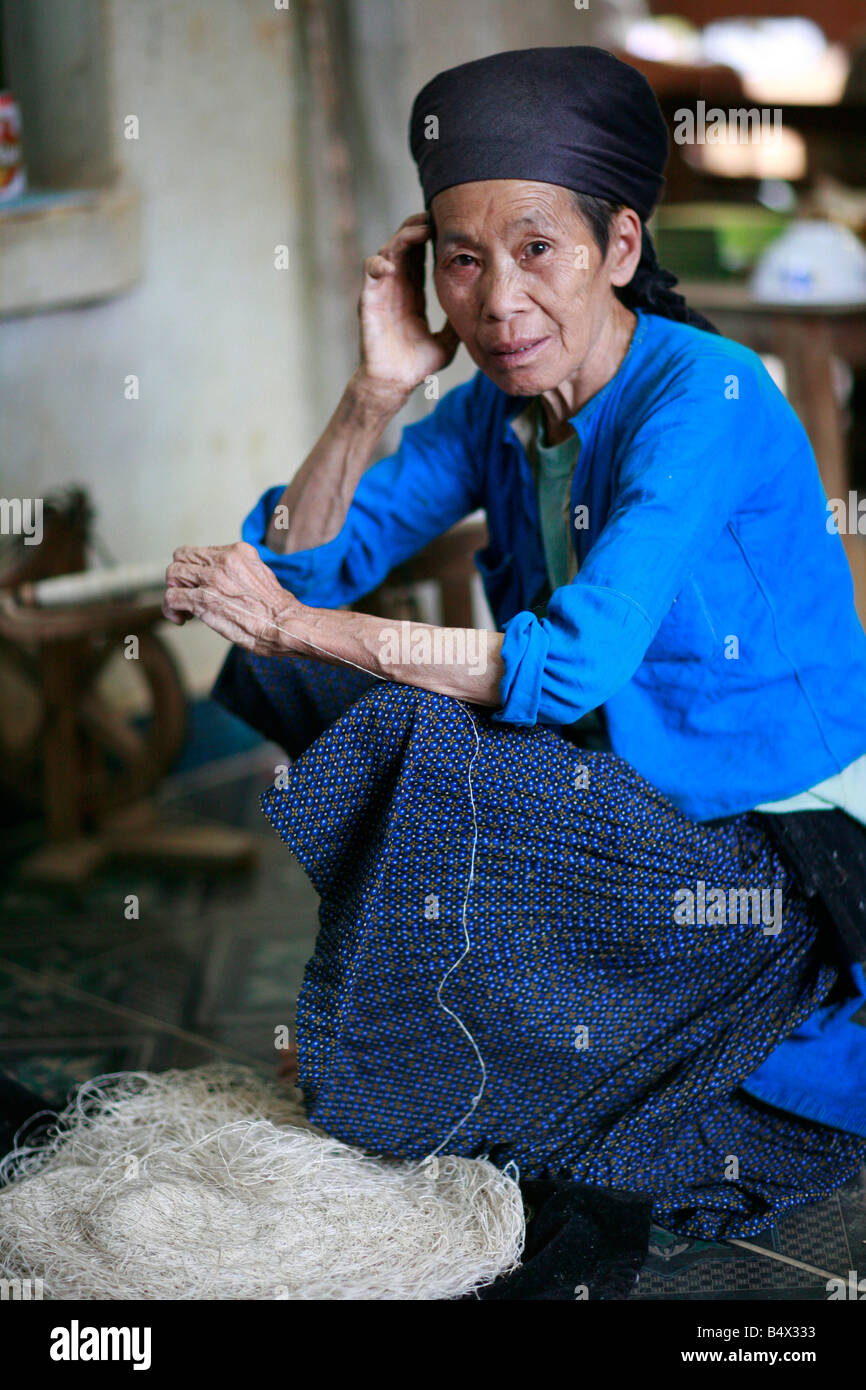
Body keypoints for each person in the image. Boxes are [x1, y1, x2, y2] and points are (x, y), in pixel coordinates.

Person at [164, 47, 866, 1240]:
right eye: (462, 259)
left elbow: (574, 662)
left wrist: (294, 620)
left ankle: (430, 1039)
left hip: (775, 836)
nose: (495, 303)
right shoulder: (493, 408)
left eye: (537, 248)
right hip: (620, 784)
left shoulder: (706, 396)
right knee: (302, 670)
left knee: (395, 719)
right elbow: (306, 562)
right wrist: (375, 390)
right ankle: (423, 1033)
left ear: (619, 247)